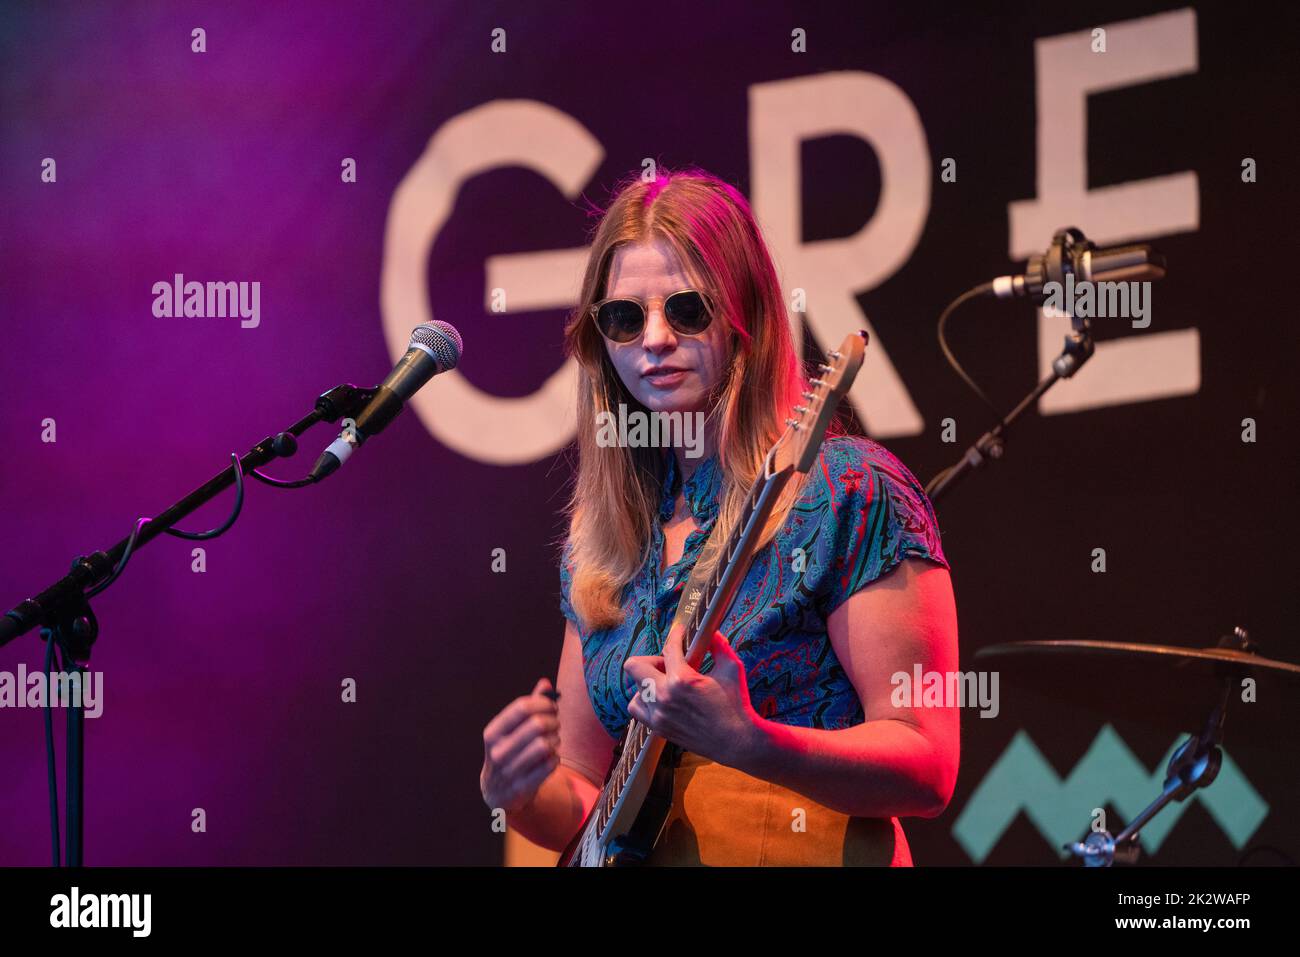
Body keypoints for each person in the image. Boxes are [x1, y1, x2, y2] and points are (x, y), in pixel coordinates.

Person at [480, 167, 958, 865]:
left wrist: (753, 742)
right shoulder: (604, 546)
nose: (654, 339)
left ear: (748, 316)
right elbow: (590, 802)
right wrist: (520, 793)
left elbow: (927, 759)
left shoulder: (847, 487)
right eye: (623, 317)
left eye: (687, 309)